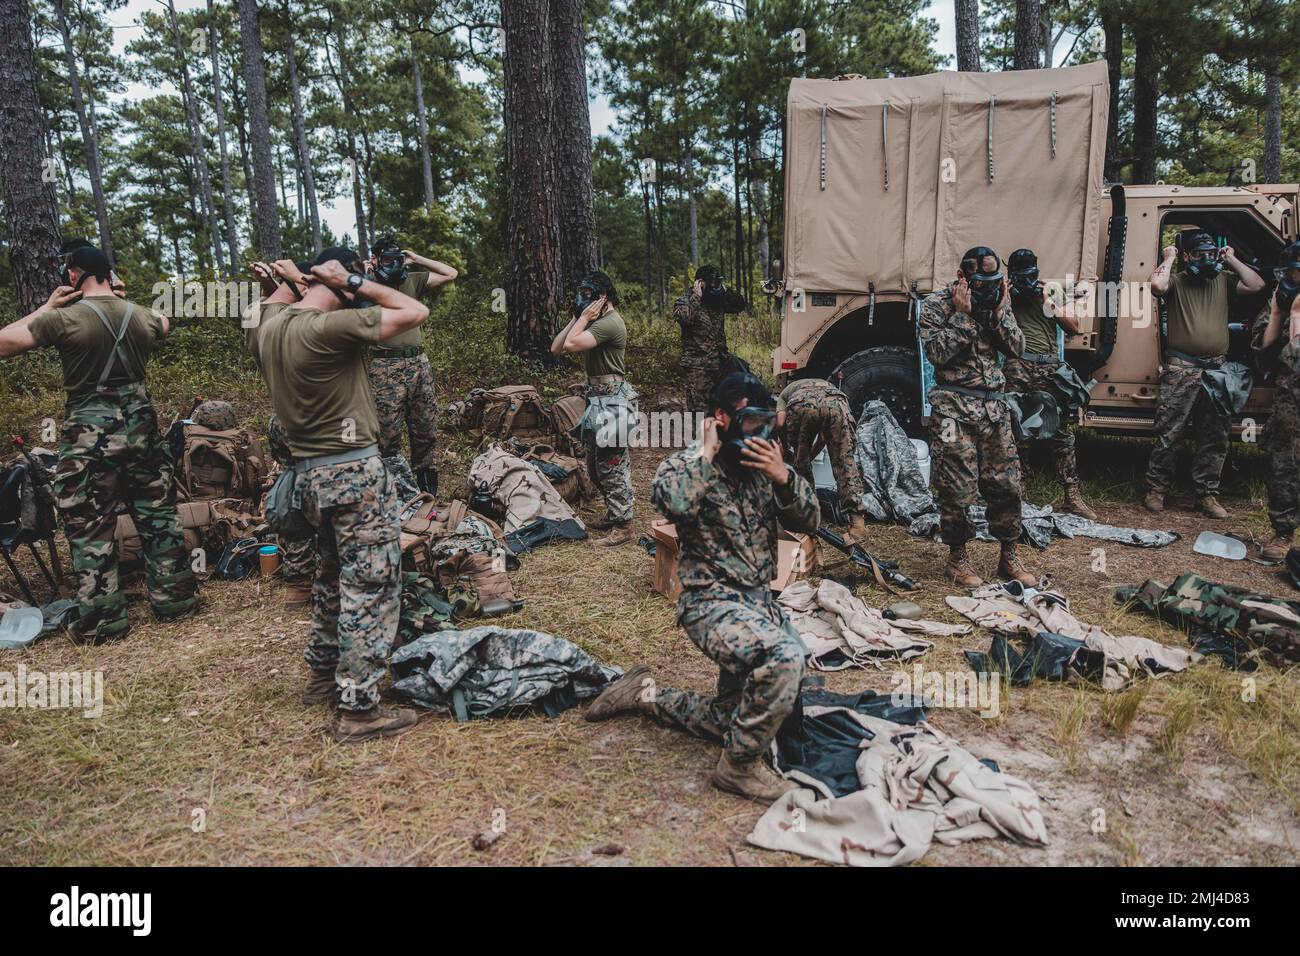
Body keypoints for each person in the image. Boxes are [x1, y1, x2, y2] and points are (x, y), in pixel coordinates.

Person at [586, 372, 818, 802]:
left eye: (767, 422)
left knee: (734, 716)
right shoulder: (686, 465)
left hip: (759, 603)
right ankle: (739, 768)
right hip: (710, 603)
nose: (759, 433)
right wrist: (706, 454)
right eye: (750, 422)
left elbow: (810, 521)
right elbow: (671, 503)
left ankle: (645, 693)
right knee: (785, 659)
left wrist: (784, 476)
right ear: (720, 418)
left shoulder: (764, 465)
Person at [246, 247, 427, 743]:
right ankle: (359, 708)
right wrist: (353, 280)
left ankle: (322, 676)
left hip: (308, 478)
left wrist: (292, 280)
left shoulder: (270, 325)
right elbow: (414, 312)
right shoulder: (329, 329)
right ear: (340, 284)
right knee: (371, 586)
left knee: (329, 577)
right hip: (353, 474)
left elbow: (272, 305)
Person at [0, 244, 197, 641]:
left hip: (90, 436)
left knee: (90, 524)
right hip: (142, 430)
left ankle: (105, 620)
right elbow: (163, 323)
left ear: (74, 275)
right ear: (110, 275)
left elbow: (4, 343)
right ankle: (176, 599)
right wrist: (121, 298)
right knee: (158, 515)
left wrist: (46, 307)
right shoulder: (140, 316)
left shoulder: (64, 318)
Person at [919, 246, 1036, 588]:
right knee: (956, 488)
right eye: (980, 282)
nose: (987, 288)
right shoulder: (937, 305)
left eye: (994, 281)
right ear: (961, 277)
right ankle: (957, 558)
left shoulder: (999, 301)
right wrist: (963, 315)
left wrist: (999, 312)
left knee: (1007, 486)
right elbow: (937, 353)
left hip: (994, 410)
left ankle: (1009, 557)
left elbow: (1016, 348)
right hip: (954, 412)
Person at [1144, 231, 1264, 517]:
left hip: (1216, 370)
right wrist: (1169, 257)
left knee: (1215, 436)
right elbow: (1157, 286)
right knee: (1170, 433)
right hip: (1181, 370)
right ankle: (1156, 490)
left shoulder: (1222, 280)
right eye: (1200, 254)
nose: (1207, 259)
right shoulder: (1177, 281)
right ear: (1188, 256)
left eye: (1211, 253)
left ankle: (1207, 495)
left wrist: (1231, 259)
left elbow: (1257, 284)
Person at [1001, 248, 1096, 520]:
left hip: (1049, 367)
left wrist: (1046, 300)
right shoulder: (1004, 295)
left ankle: (1071, 495)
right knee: (1017, 432)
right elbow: (992, 322)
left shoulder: (1050, 292)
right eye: (1020, 277)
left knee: (1060, 432)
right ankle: (1019, 492)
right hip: (1017, 365)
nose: (1026, 282)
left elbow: (1074, 327)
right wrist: (1006, 296)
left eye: (1030, 276)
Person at [363, 235, 458, 495]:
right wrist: (363, 275)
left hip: (418, 363)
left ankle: (428, 487)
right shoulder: (366, 286)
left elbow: (451, 273)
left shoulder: (411, 280)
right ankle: (392, 487)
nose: (393, 265)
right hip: (384, 367)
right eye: (386, 259)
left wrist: (415, 258)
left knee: (425, 426)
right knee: (386, 432)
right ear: (374, 259)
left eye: (397, 259)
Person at [550, 270, 638, 546]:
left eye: (587, 295)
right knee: (594, 464)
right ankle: (615, 514)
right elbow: (557, 348)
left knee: (611, 463)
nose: (581, 300)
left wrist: (585, 318)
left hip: (613, 399)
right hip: (598, 398)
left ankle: (624, 527)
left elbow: (573, 345)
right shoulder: (593, 321)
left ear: (602, 297)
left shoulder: (609, 323)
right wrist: (578, 316)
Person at [776, 377, 869, 543]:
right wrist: (811, 454)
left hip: (801, 404)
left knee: (801, 467)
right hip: (835, 402)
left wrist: (790, 449)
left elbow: (780, 421)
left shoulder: (785, 393)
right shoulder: (827, 385)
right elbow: (823, 438)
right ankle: (857, 524)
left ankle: (807, 519)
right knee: (844, 461)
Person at [1253, 239, 1300, 561]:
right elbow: (1264, 346)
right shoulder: (1284, 301)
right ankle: (1283, 532)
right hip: (1289, 396)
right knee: (1285, 462)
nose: (1293, 279)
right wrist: (1280, 312)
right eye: (1292, 272)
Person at [672, 265, 743, 413]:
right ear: (700, 283)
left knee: (724, 410)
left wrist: (725, 290)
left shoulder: (718, 301)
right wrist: (697, 297)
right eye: (712, 282)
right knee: (700, 412)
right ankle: (700, 436)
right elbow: (685, 319)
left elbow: (739, 305)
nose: (714, 285)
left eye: (716, 281)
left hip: (720, 364)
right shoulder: (685, 301)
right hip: (697, 368)